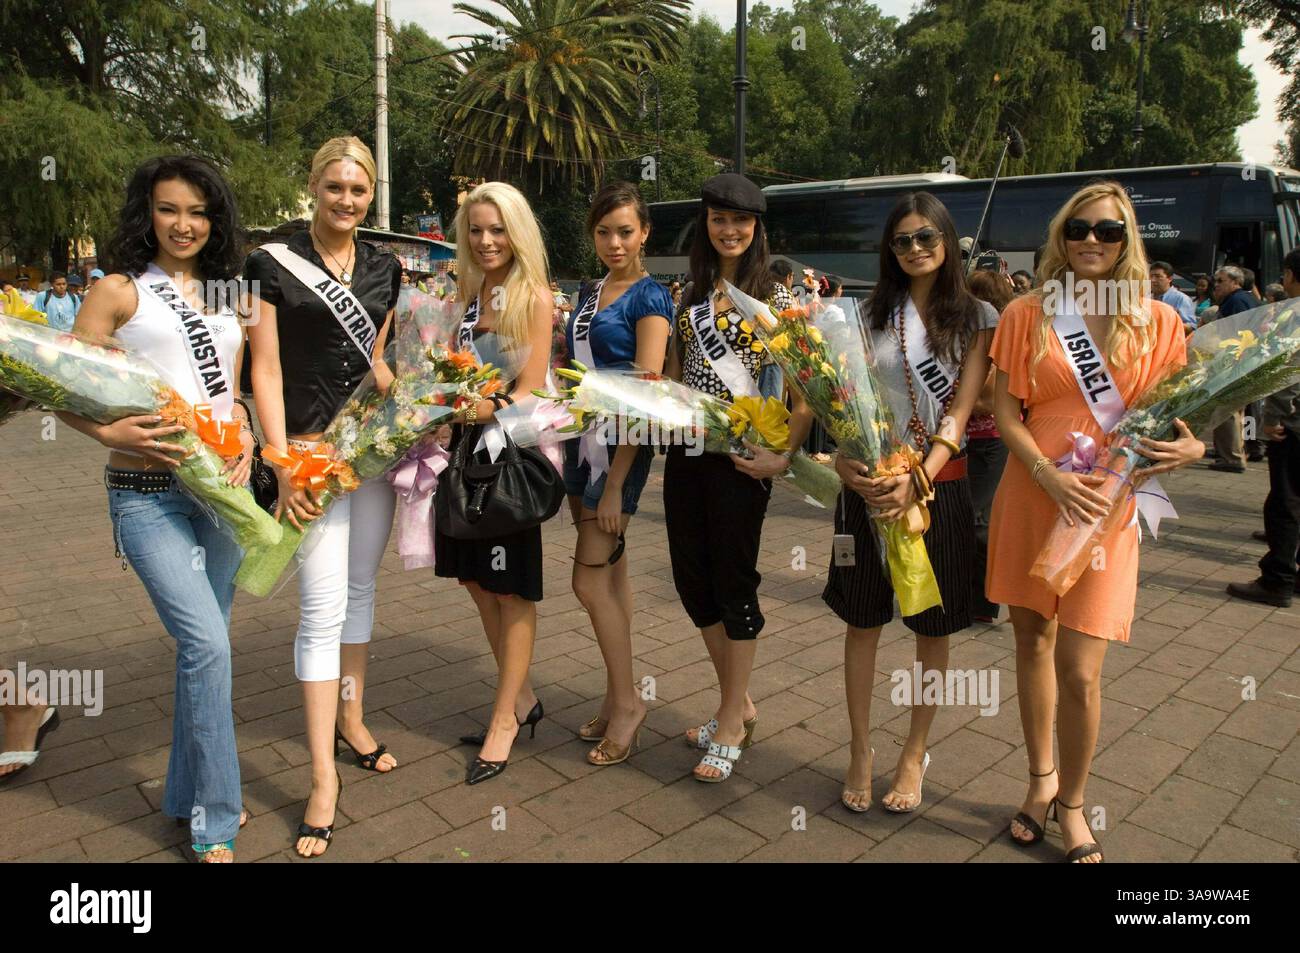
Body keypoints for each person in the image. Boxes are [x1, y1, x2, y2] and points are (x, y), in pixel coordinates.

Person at [989, 181, 1203, 863]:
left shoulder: (1160, 321)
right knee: (1032, 642)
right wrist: (1049, 475)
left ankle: (1075, 804)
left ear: (1126, 240)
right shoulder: (1029, 311)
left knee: (1081, 667)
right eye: (1079, 228)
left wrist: (1194, 447)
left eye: (1107, 231)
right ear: (1061, 234)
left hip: (1107, 505)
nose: (1090, 241)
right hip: (1033, 490)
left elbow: (1181, 414)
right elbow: (1004, 408)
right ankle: (1039, 781)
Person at [56, 155, 254, 861]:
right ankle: (216, 818)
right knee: (206, 644)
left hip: (221, 497)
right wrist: (108, 431)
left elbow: (233, 388)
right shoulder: (117, 291)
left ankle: (183, 794)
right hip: (147, 496)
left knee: (203, 657)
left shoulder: (232, 296)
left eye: (198, 210)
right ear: (147, 213)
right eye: (169, 209)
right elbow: (61, 385)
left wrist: (252, 439)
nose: (184, 224)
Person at [244, 136, 402, 858]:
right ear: (313, 186)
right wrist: (278, 462)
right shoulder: (269, 262)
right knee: (321, 605)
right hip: (308, 454)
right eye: (335, 187)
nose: (347, 200)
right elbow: (266, 370)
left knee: (363, 589)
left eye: (359, 190)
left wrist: (418, 392)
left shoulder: (385, 267)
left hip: (366, 453)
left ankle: (353, 718)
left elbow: (378, 364)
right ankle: (320, 779)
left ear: (372, 195)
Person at [827, 192, 997, 814]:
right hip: (868, 487)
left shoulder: (977, 316)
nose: (915, 249)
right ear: (888, 250)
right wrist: (845, 462)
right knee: (862, 621)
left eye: (926, 237)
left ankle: (913, 752)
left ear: (947, 240)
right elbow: (843, 400)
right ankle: (861, 748)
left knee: (931, 627)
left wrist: (918, 478)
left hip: (937, 487)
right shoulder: (868, 314)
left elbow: (959, 411)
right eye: (902, 241)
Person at [665, 173, 813, 783]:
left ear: (757, 229)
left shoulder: (777, 302)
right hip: (687, 455)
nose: (730, 229)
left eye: (742, 220)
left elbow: (808, 394)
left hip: (743, 462)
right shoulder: (688, 296)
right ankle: (739, 703)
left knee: (734, 582)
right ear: (706, 223)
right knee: (691, 581)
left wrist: (784, 458)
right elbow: (675, 378)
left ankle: (730, 720)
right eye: (720, 218)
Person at [438, 182, 557, 785]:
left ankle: (504, 719)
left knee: (511, 589)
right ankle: (524, 696)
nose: (486, 241)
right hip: (462, 454)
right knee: (475, 579)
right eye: (477, 230)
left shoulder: (534, 296)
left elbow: (533, 383)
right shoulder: (468, 291)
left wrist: (486, 408)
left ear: (517, 232)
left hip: (505, 457)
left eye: (497, 229)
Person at [562, 182, 672, 766]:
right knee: (614, 578)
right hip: (584, 443)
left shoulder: (650, 299)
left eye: (625, 231)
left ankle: (630, 704)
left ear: (644, 233)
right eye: (604, 231)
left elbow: (645, 394)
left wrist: (615, 483)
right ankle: (614, 695)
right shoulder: (590, 290)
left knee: (586, 582)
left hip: (619, 453)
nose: (614, 242)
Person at [1227, 248, 1300, 607]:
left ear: (1290, 275)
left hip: (1294, 426)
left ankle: (1278, 579)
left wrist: (1272, 418)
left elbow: (1287, 376)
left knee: (1284, 502)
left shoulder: (1294, 316)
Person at [965, 268, 1014, 623]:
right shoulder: (972, 336)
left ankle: (982, 603)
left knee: (979, 521)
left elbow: (990, 401)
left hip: (990, 442)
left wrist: (955, 399)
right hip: (965, 442)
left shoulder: (999, 344)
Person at [1208, 266, 1259, 473]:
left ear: (1235, 282)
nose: (1216, 286)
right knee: (1235, 411)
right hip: (1243, 363)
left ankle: (1232, 457)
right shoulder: (1242, 299)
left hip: (1235, 363)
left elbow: (1235, 335)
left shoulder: (1237, 301)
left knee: (1226, 410)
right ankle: (1230, 450)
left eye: (1220, 281)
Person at [1148, 261, 1195, 329]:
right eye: (1151, 276)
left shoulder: (1181, 299)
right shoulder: (1146, 298)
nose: (1153, 280)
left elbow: (1191, 326)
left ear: (1170, 278)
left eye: (1158, 276)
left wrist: (1168, 325)